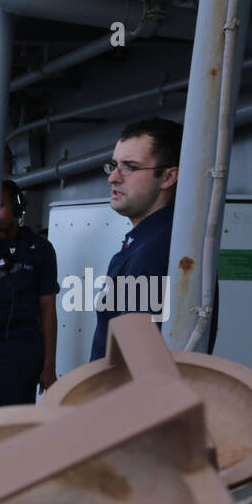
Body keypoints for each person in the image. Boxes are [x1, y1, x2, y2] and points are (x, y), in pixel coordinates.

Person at [91, 117, 181, 360]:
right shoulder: (158, 239)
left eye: (129, 167)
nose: (113, 178)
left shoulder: (153, 250)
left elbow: (135, 362)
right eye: (114, 165)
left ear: (168, 177)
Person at [0, 180, 59, 405]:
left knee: (14, 425)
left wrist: (49, 365)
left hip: (21, 350)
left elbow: (48, 309)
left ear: (18, 208)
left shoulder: (41, 250)